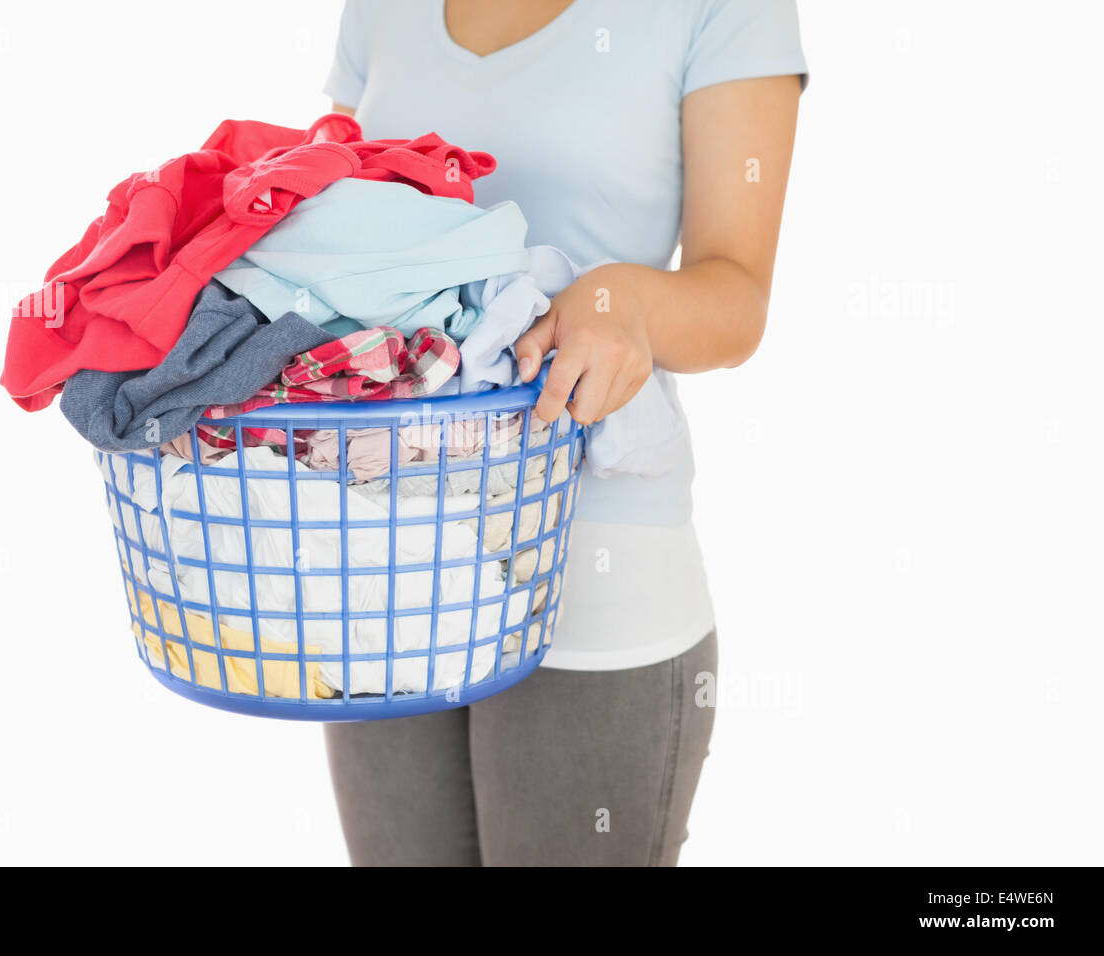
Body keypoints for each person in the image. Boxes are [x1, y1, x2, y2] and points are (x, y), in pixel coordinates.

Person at [321, 0, 806, 866]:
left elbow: (738, 296)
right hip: (385, 568)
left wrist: (623, 298)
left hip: (595, 563)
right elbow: (333, 235)